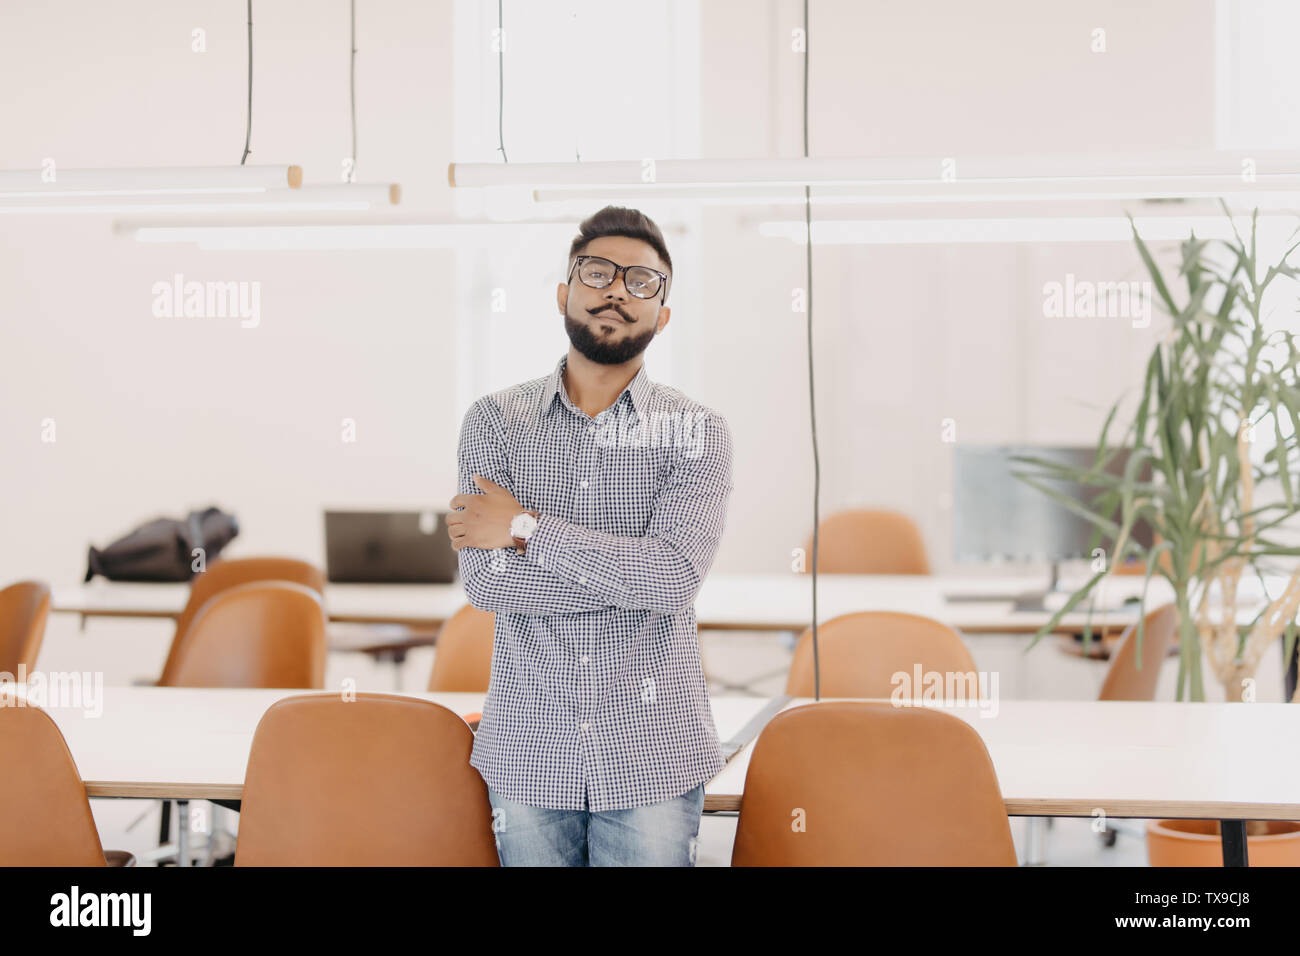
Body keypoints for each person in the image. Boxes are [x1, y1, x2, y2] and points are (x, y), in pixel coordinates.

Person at [446, 205, 734, 866]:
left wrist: (523, 528)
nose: (615, 290)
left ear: (663, 315)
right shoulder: (493, 422)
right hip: (529, 749)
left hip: (652, 752)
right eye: (598, 272)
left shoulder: (697, 431)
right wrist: (627, 572)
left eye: (642, 282)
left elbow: (672, 581)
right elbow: (487, 584)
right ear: (563, 293)